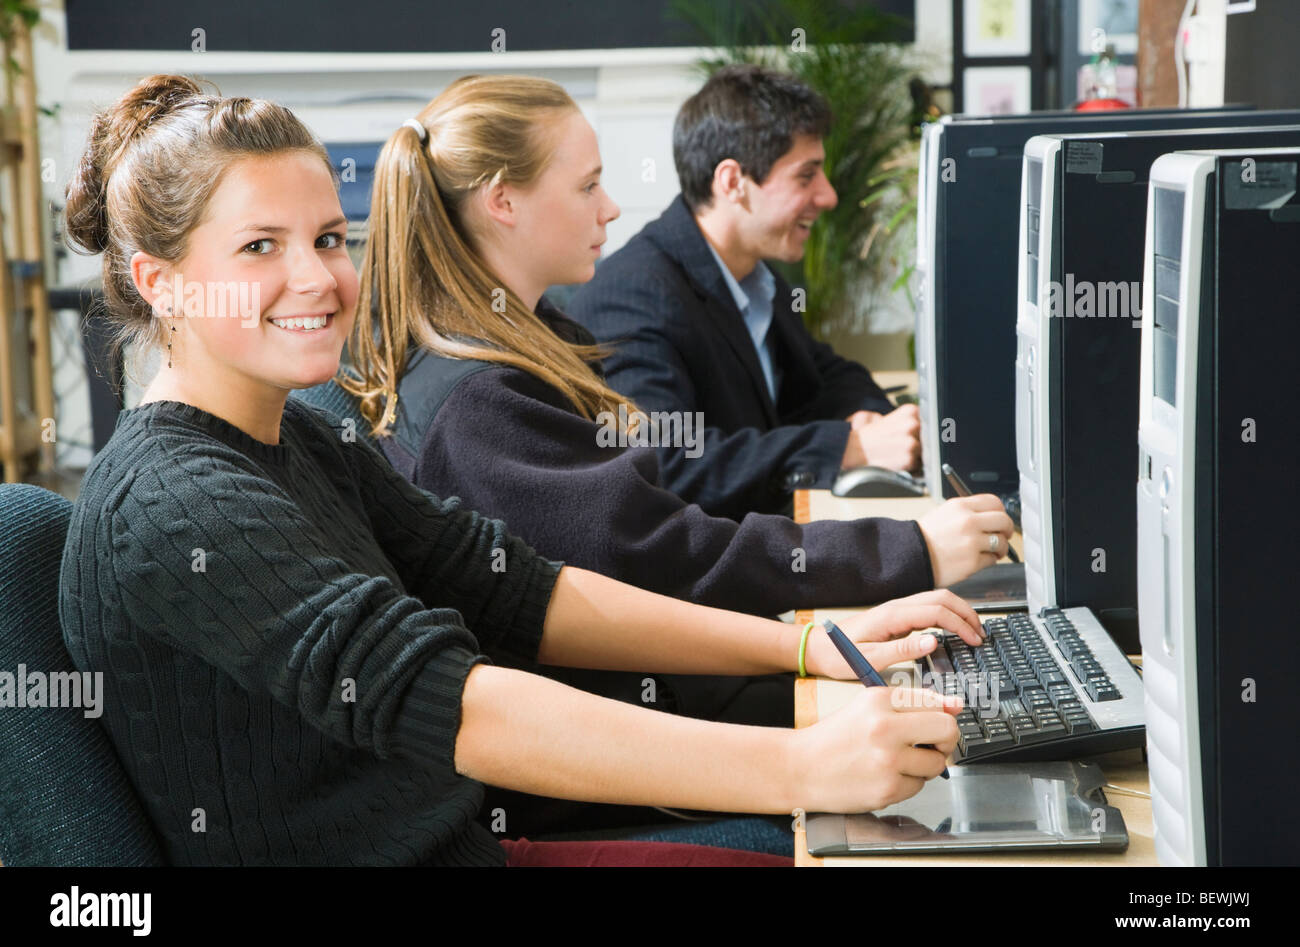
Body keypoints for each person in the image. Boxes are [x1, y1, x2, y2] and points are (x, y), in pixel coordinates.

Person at [59, 74, 980, 867]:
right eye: (260, 247)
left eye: (330, 239)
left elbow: (522, 592)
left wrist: (805, 647)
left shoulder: (297, 436)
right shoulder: (176, 505)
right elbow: (454, 703)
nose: (318, 277)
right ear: (159, 280)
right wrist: (800, 765)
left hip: (466, 842)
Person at [341, 75, 1015, 740]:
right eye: (587, 186)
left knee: (942, 707)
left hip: (664, 694)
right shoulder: (481, 399)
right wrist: (906, 550)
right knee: (943, 733)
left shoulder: (530, 340)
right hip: (637, 737)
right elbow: (663, 555)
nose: (609, 208)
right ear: (503, 202)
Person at [568, 64, 926, 521]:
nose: (829, 196)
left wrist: (869, 419)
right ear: (733, 182)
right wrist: (846, 447)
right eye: (806, 175)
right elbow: (666, 461)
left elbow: (825, 376)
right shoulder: (632, 296)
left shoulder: (755, 275)